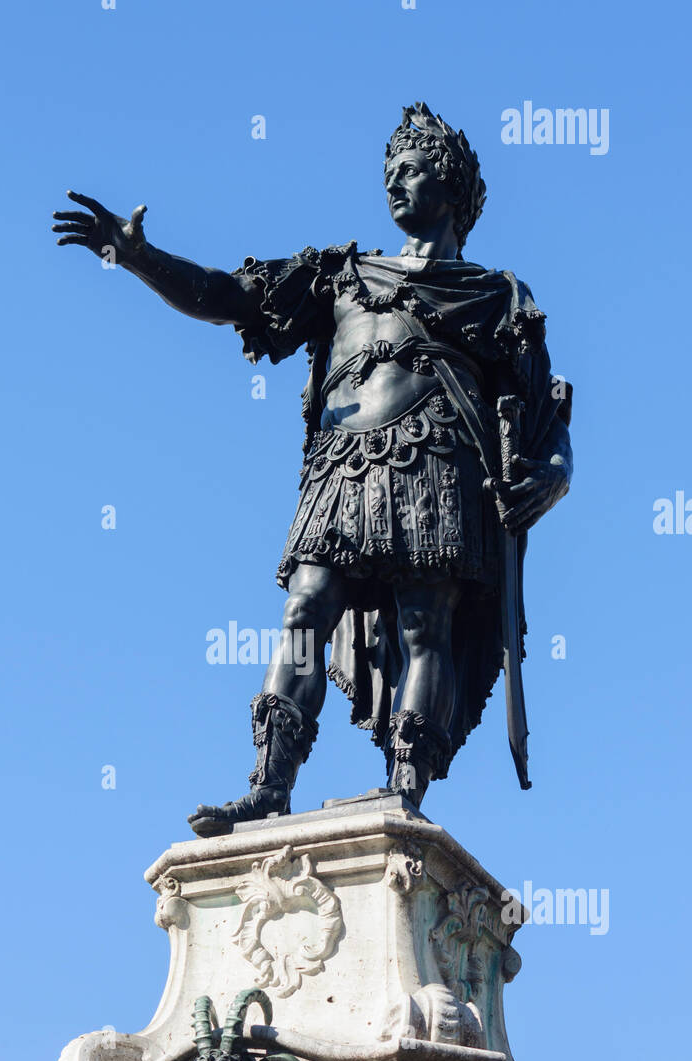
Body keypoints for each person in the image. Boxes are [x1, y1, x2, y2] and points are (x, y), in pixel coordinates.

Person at [52, 102, 572, 835]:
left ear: (450, 187)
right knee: (304, 610)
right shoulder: (340, 274)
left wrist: (552, 474)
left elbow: (545, 415)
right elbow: (228, 296)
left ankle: (404, 781)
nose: (395, 181)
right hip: (341, 464)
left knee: (426, 624)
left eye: (414, 169)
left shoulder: (493, 297)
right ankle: (269, 783)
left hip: (436, 465)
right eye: (389, 169)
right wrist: (138, 256)